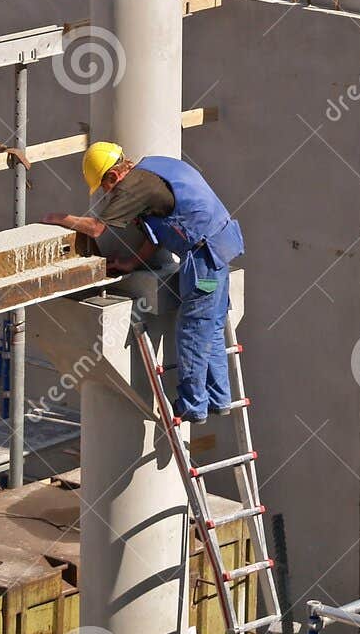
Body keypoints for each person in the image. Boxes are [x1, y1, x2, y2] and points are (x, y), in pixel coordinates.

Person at [44, 143, 245, 425]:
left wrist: (58, 219)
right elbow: (157, 235)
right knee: (211, 325)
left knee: (193, 328)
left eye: (105, 188)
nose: (106, 194)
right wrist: (131, 264)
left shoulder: (132, 187)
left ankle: (192, 406)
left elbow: (96, 228)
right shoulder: (154, 169)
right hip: (219, 248)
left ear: (113, 177)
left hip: (204, 260)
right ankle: (219, 396)